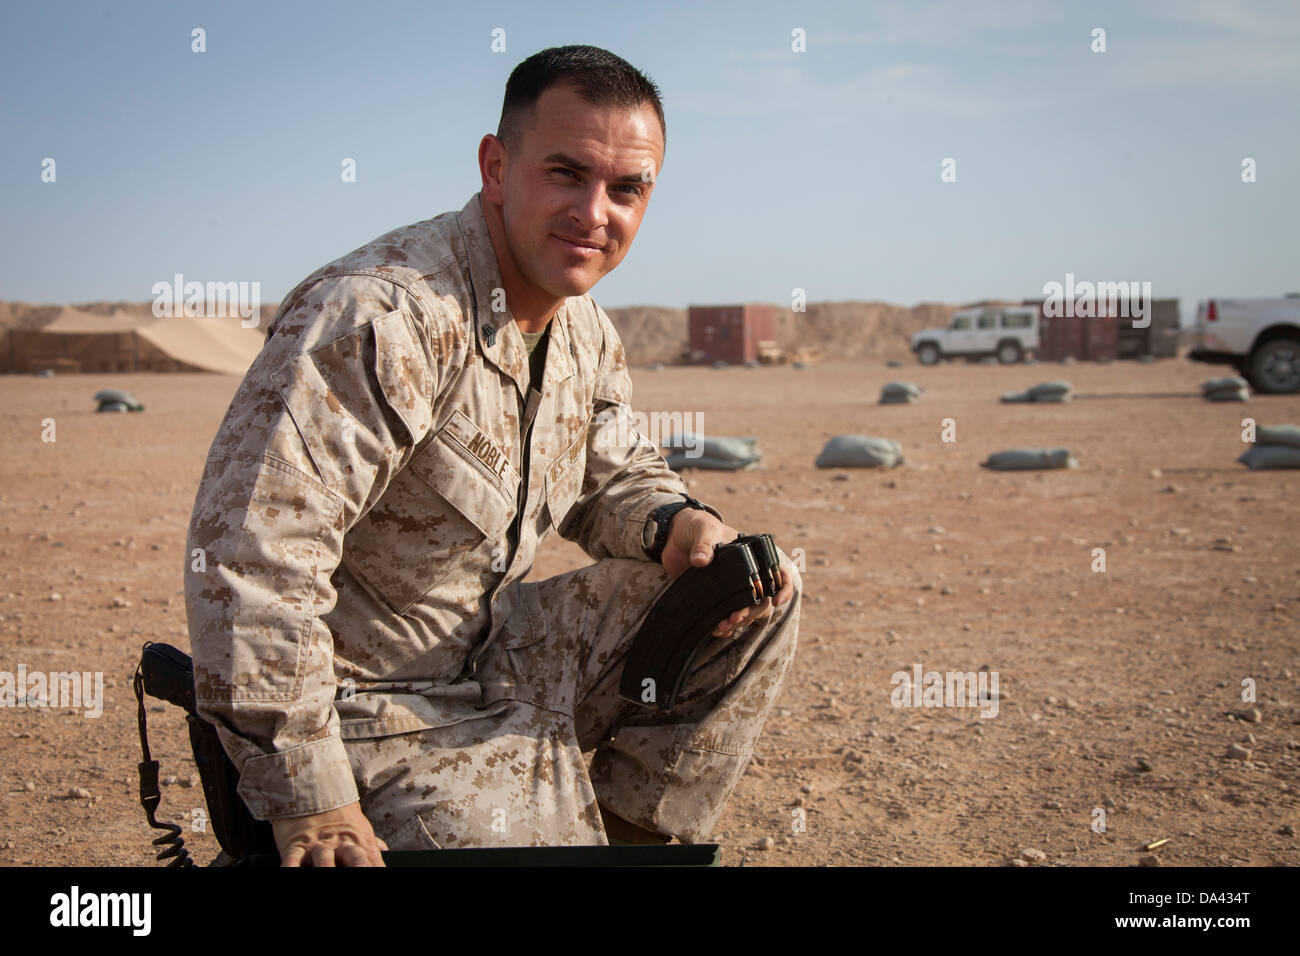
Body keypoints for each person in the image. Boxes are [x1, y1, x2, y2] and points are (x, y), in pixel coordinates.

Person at [184, 44, 801, 867]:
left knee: (756, 591)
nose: (594, 212)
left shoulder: (580, 330)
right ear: (497, 166)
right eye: (566, 173)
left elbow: (613, 473)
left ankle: (632, 839)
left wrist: (677, 522)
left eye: (627, 189)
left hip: (501, 658)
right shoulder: (384, 318)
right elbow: (254, 561)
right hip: (369, 701)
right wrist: (311, 800)